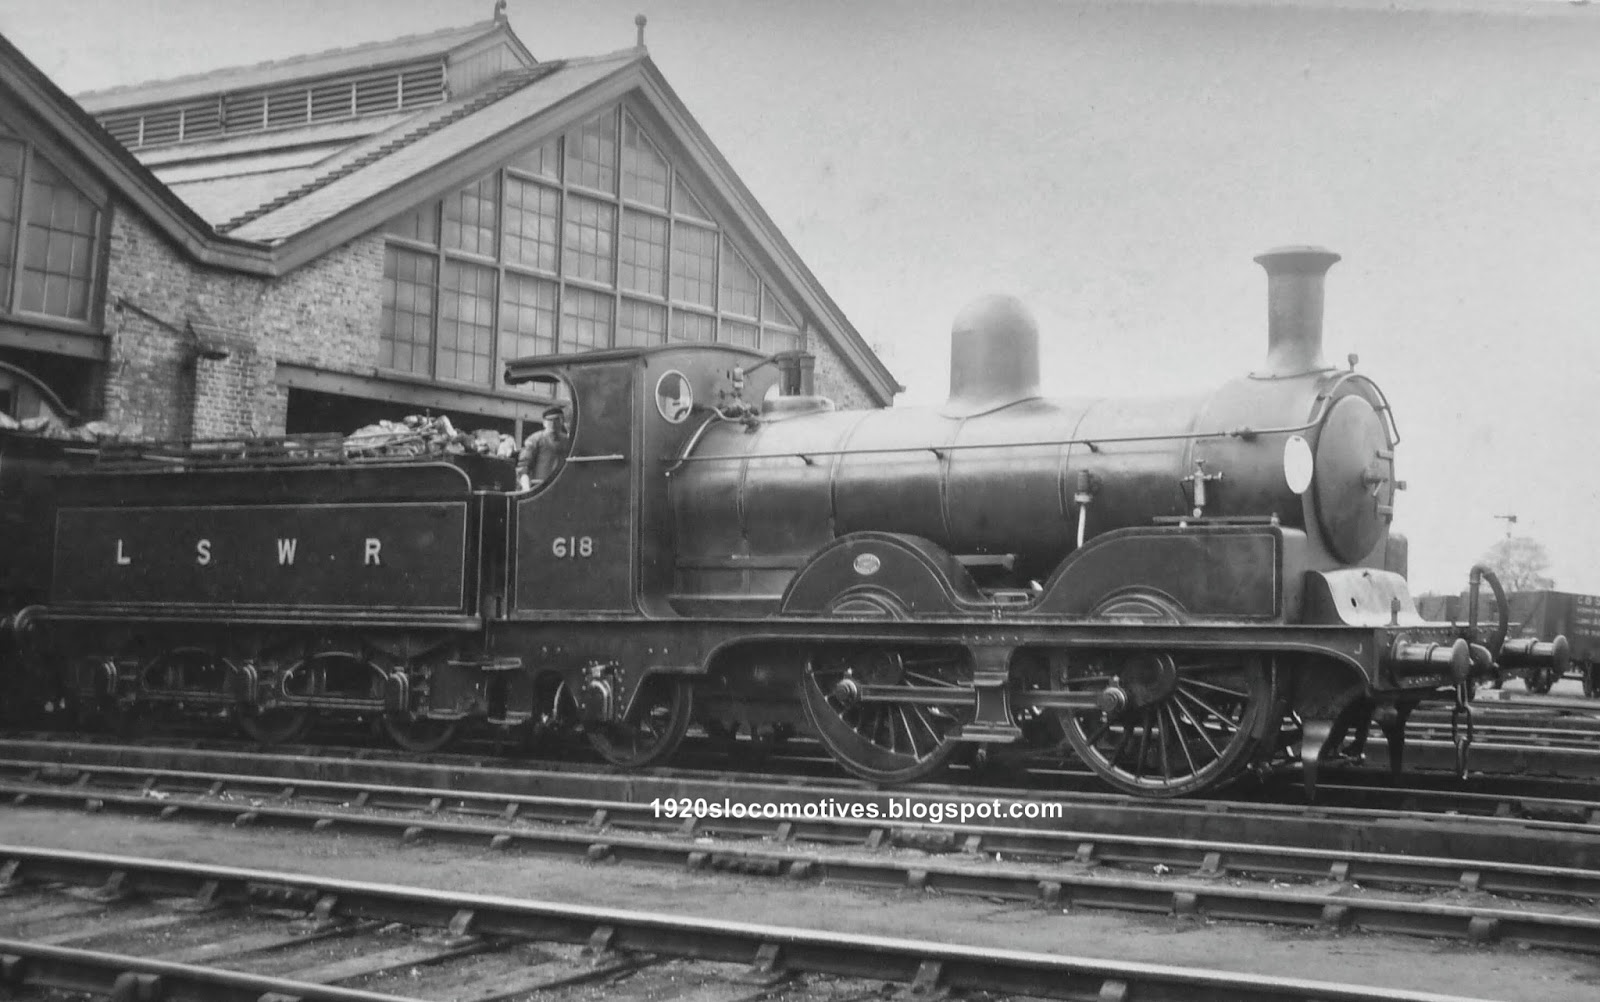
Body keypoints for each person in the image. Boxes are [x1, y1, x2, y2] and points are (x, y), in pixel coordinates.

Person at [516, 406, 571, 491]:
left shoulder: (568, 442)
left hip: (562, 489)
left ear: (561, 421)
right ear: (544, 423)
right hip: (539, 489)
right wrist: (526, 488)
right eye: (550, 421)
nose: (553, 424)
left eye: (556, 420)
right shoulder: (535, 440)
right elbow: (523, 467)